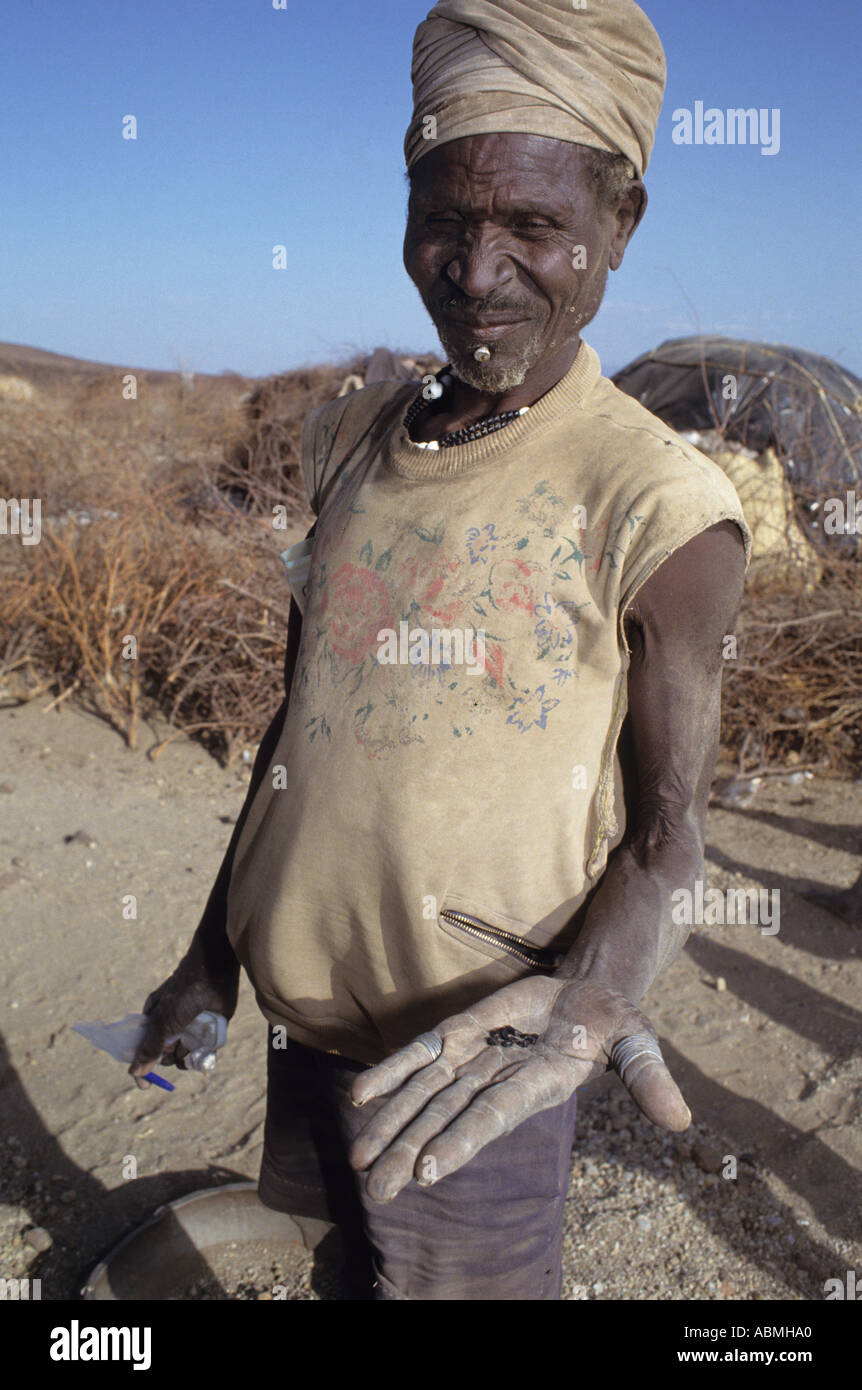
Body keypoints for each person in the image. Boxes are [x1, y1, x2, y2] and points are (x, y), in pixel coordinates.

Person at [131, 0, 752, 1300]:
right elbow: (302, 729)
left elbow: (667, 833)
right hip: (314, 1017)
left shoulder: (654, 507)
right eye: (443, 221)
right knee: (346, 1262)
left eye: (532, 227)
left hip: (479, 1047)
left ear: (617, 226)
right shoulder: (355, 439)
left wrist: (586, 1004)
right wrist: (211, 955)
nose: (476, 272)